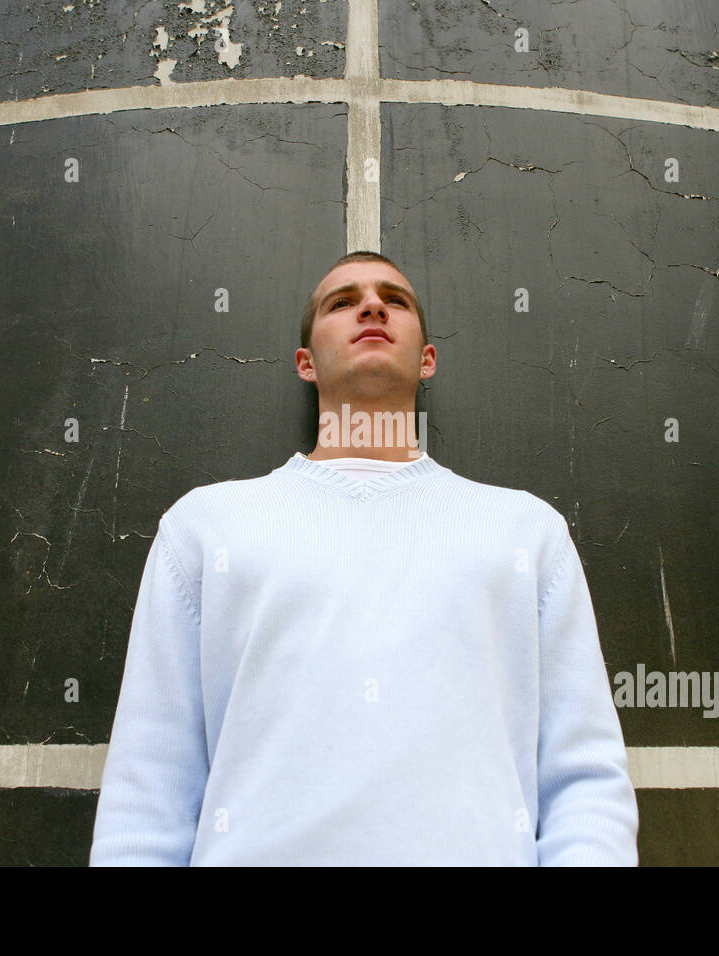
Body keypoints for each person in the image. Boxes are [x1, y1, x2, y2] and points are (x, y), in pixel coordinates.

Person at [89, 252, 638, 865]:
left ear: (427, 359)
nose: (372, 306)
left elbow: (585, 784)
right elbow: (148, 794)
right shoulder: (206, 529)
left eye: (394, 300)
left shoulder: (524, 534)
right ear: (306, 363)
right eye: (342, 302)